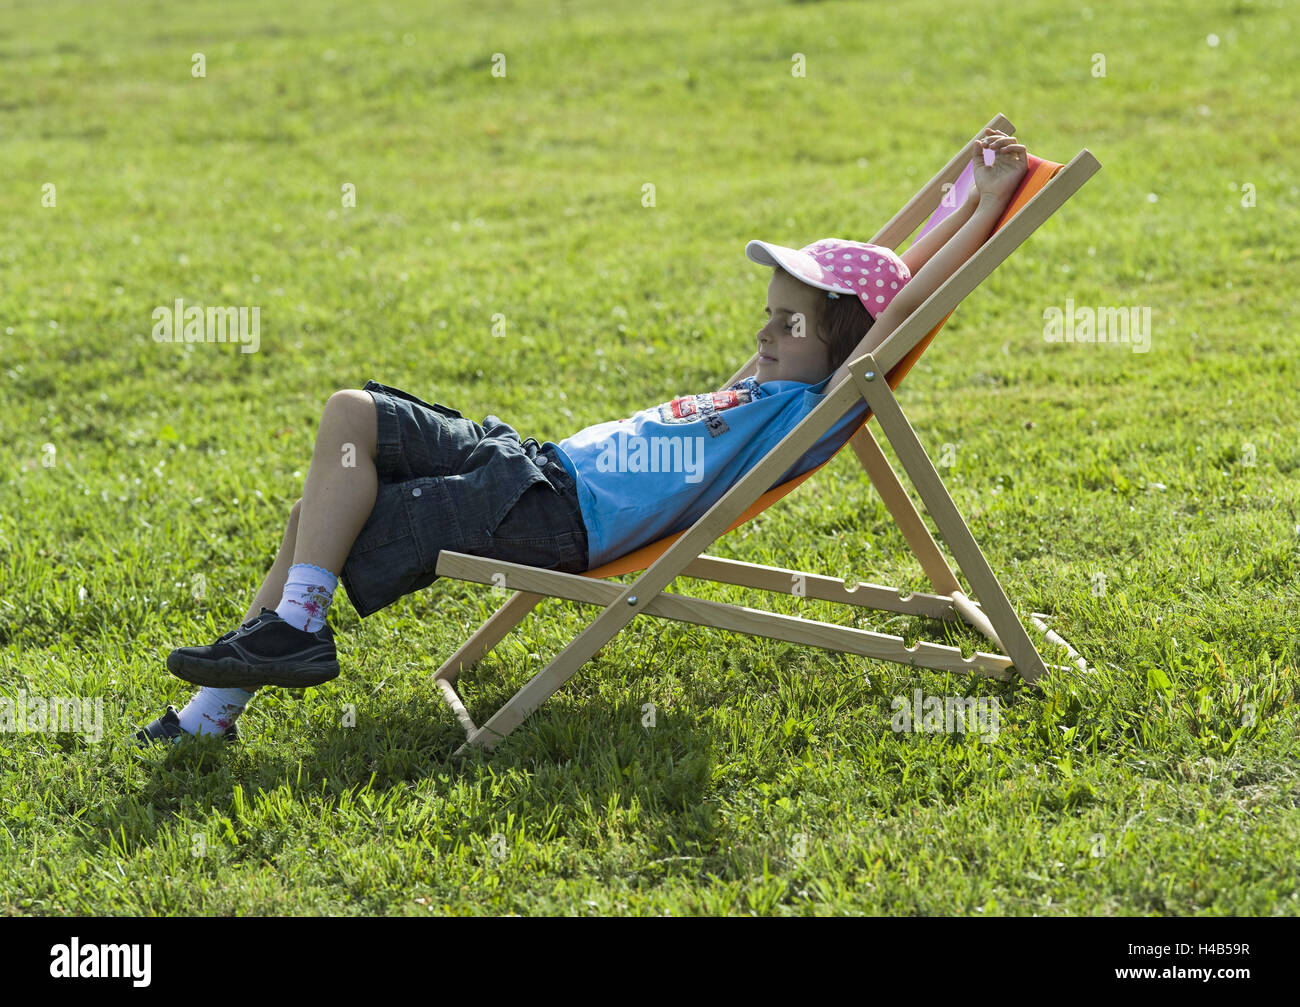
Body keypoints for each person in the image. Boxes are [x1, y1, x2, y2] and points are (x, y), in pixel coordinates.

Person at [135, 128, 1028, 746]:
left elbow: (903, 303)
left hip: (553, 516)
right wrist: (953, 200)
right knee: (347, 420)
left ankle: (217, 707)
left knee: (321, 521)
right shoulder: (769, 380)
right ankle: (291, 631)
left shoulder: (806, 408)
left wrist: (985, 205)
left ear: (840, 343)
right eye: (769, 315)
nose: (766, 333)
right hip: (530, 464)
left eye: (789, 323)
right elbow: (887, 285)